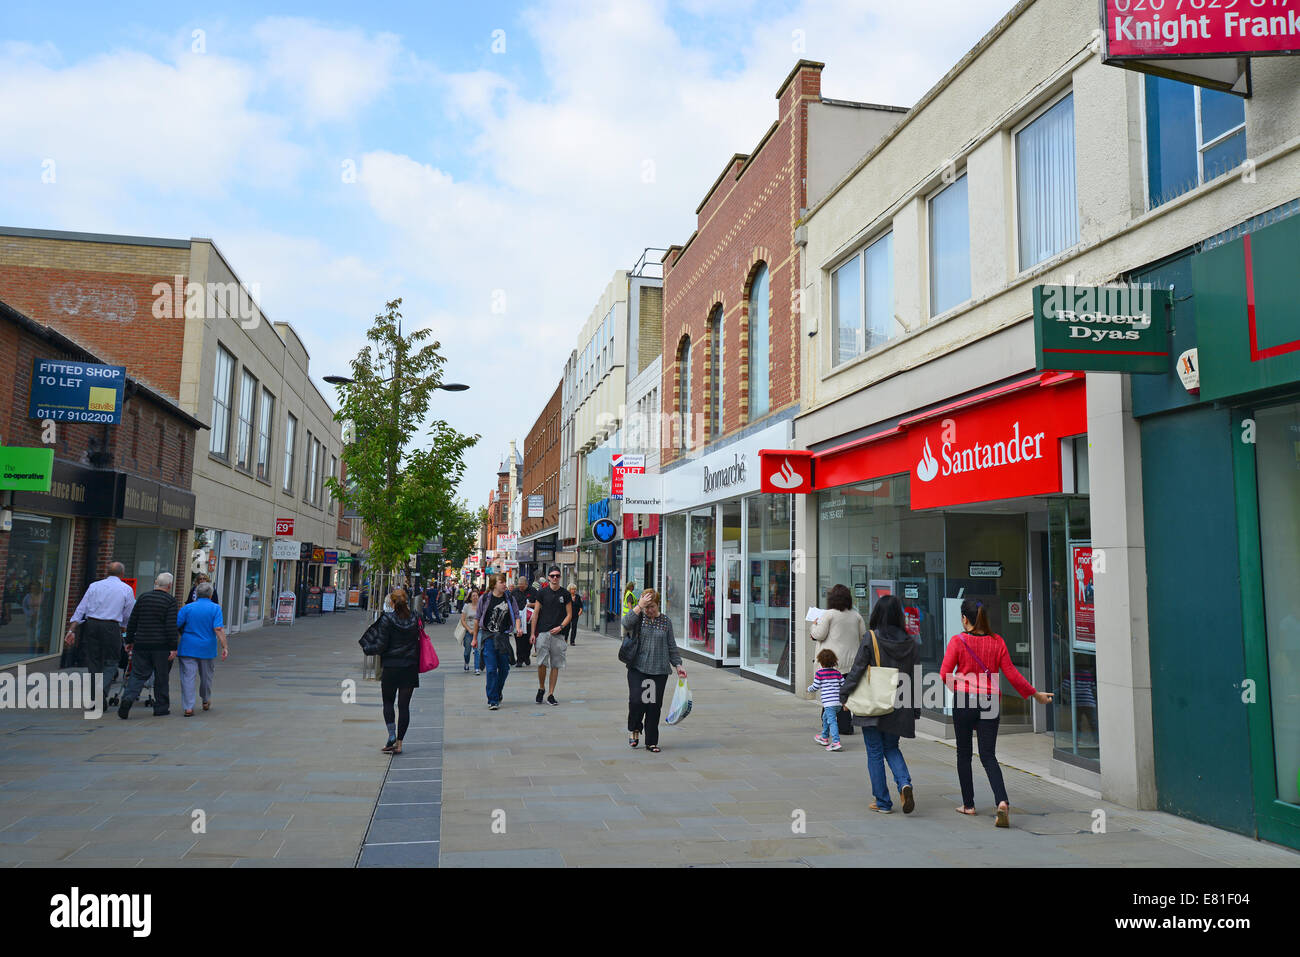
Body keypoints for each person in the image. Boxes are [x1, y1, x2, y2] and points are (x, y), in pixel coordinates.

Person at [940, 596, 1053, 827]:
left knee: (964, 754)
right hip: (990, 701)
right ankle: (1002, 802)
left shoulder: (957, 642)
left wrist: (960, 687)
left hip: (965, 701)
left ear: (964, 619)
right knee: (988, 755)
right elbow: (1012, 674)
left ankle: (968, 805)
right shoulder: (997, 642)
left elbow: (944, 674)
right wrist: (1035, 694)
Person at [841, 594, 918, 814]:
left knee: (875, 751)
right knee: (892, 747)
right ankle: (904, 783)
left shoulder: (871, 638)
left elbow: (857, 670)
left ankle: (883, 802)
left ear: (877, 613)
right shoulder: (910, 642)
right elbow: (916, 675)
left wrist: (844, 694)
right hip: (900, 704)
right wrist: (916, 709)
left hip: (872, 703)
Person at [621, 589, 685, 753]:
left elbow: (671, 646)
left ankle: (651, 741)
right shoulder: (638, 618)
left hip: (659, 671)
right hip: (638, 668)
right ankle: (634, 729)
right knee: (637, 702)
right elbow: (625, 623)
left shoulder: (665, 621)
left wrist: (678, 665)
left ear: (658, 605)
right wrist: (638, 606)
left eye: (653, 606)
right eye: (647, 606)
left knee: (653, 706)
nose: (649, 610)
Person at [64, 561, 136, 707]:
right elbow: (129, 613)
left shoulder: (94, 586)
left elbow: (81, 608)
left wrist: (72, 629)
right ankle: (100, 692)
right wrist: (124, 628)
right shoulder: (126, 589)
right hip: (111, 626)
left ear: (107, 573)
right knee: (111, 662)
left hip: (92, 625)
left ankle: (96, 699)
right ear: (122, 574)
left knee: (94, 662)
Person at [117, 572, 180, 719]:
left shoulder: (143, 598)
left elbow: (133, 620)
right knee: (161, 677)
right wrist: (173, 647)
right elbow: (171, 626)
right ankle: (161, 708)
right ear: (169, 586)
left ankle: (128, 698)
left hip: (142, 643)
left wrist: (129, 641)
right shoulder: (170, 601)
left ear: (156, 583)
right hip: (161, 646)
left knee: (137, 675)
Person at [809, 585, 865, 736]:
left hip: (831, 663)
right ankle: (845, 725)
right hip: (851, 663)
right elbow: (862, 636)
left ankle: (829, 725)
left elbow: (819, 634)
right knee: (844, 695)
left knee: (829, 695)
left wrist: (813, 625)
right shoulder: (856, 615)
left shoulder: (829, 614)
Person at [373, 587, 421, 754]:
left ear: (392, 603)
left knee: (388, 702)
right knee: (404, 706)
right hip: (409, 667)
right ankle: (399, 743)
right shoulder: (415, 618)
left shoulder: (387, 619)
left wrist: (368, 648)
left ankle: (391, 734)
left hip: (391, 667)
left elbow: (380, 645)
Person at [175, 581, 229, 717]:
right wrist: (224, 646)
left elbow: (176, 625)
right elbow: (218, 629)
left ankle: (188, 707)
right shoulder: (215, 608)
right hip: (207, 648)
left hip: (187, 646)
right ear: (211, 595)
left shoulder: (187, 608)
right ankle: (205, 699)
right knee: (206, 677)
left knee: (188, 677)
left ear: (196, 594)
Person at [474, 575, 521, 710]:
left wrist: (518, 628)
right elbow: (477, 619)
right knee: (491, 669)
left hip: (503, 637)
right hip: (488, 637)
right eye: (501, 582)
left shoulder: (509, 598)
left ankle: (497, 691)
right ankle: (492, 699)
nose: (504, 584)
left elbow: (517, 615)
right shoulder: (485, 598)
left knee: (505, 668)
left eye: (504, 582)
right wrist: (474, 638)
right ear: (494, 584)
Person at [530, 566, 572, 706]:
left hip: (559, 635)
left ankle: (551, 694)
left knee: (556, 664)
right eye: (552, 575)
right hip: (543, 632)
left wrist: (561, 627)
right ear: (548, 577)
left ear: (560, 577)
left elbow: (569, 615)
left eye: (557, 575)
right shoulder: (542, 593)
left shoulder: (565, 594)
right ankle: (541, 687)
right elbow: (535, 613)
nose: (555, 578)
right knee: (541, 663)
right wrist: (532, 633)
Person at [808, 648, 845, 752]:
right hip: (838, 703)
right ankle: (824, 737)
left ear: (820, 661)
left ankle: (836, 742)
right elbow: (844, 685)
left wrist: (809, 689)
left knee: (832, 721)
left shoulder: (820, 673)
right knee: (825, 718)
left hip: (829, 703)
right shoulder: (837, 673)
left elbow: (815, 687)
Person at [511, 578, 535, 666]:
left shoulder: (533, 591)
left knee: (528, 641)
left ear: (526, 584)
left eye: (522, 587)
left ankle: (526, 656)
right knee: (519, 640)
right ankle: (519, 660)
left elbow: (538, 603)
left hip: (529, 620)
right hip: (518, 620)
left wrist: (530, 605)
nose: (520, 588)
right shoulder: (514, 592)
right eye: (519, 586)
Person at [460, 586, 482, 674]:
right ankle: (466, 662)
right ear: (470, 597)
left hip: (479, 631)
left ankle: (477, 668)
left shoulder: (481, 606)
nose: (475, 597)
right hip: (469, 631)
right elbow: (462, 620)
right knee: (467, 651)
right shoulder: (466, 606)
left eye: (476, 596)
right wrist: (469, 629)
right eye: (473, 596)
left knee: (477, 649)